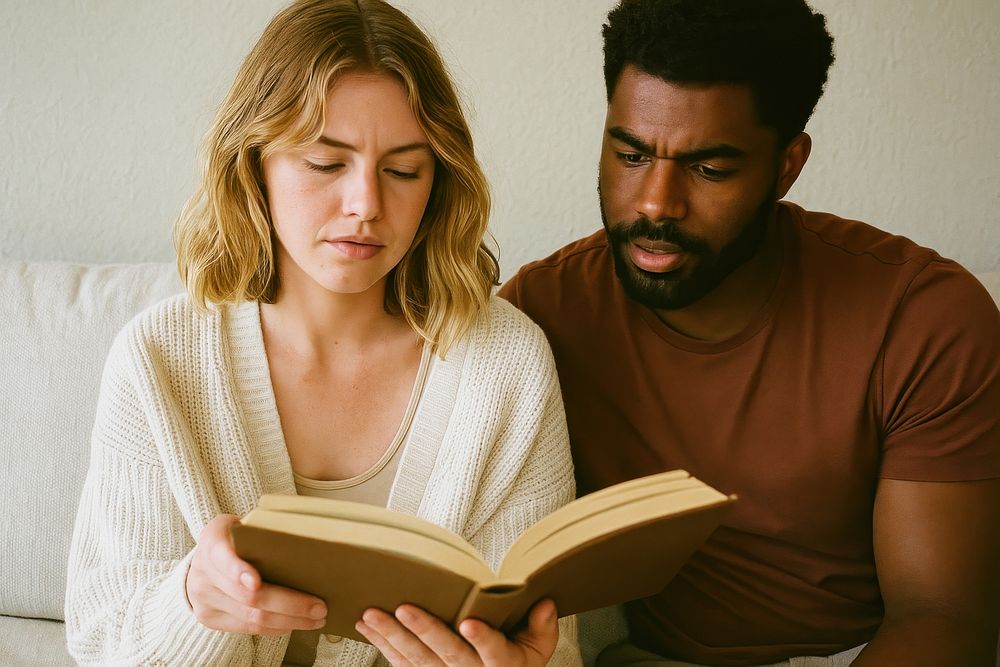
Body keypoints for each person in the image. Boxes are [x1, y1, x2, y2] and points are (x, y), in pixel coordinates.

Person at [63, 1, 582, 665]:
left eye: (402, 170)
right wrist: (192, 601)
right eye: (324, 162)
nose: (366, 204)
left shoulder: (506, 365)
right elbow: (102, 640)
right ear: (254, 164)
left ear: (439, 181)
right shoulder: (159, 360)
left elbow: (552, 644)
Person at [499, 0, 1000, 665]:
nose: (655, 203)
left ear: (787, 165)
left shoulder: (924, 318)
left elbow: (941, 617)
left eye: (709, 168)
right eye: (630, 153)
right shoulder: (541, 310)